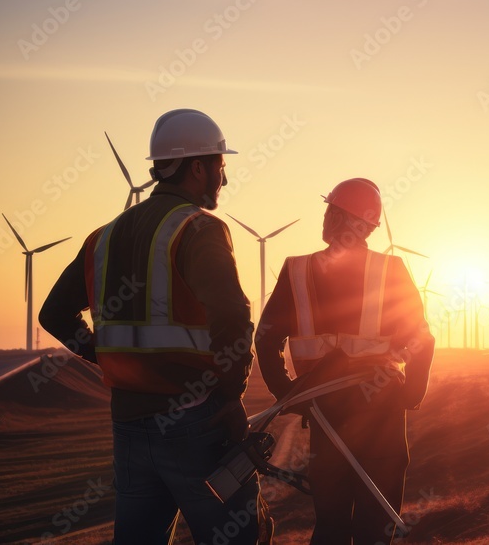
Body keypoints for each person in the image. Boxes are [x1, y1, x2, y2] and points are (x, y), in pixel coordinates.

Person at [40, 109, 259, 545]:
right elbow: (232, 315)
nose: (224, 180)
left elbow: (53, 314)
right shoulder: (198, 228)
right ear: (197, 167)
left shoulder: (103, 237)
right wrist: (232, 398)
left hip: (129, 425)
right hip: (196, 421)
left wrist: (102, 353)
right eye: (220, 166)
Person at [256, 177, 436, 545]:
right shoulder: (392, 271)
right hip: (382, 414)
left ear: (347, 220)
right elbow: (421, 338)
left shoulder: (296, 271)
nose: (325, 218)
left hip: (326, 414)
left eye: (331, 211)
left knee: (332, 526)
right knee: (377, 527)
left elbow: (265, 337)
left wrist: (288, 393)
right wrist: (407, 396)